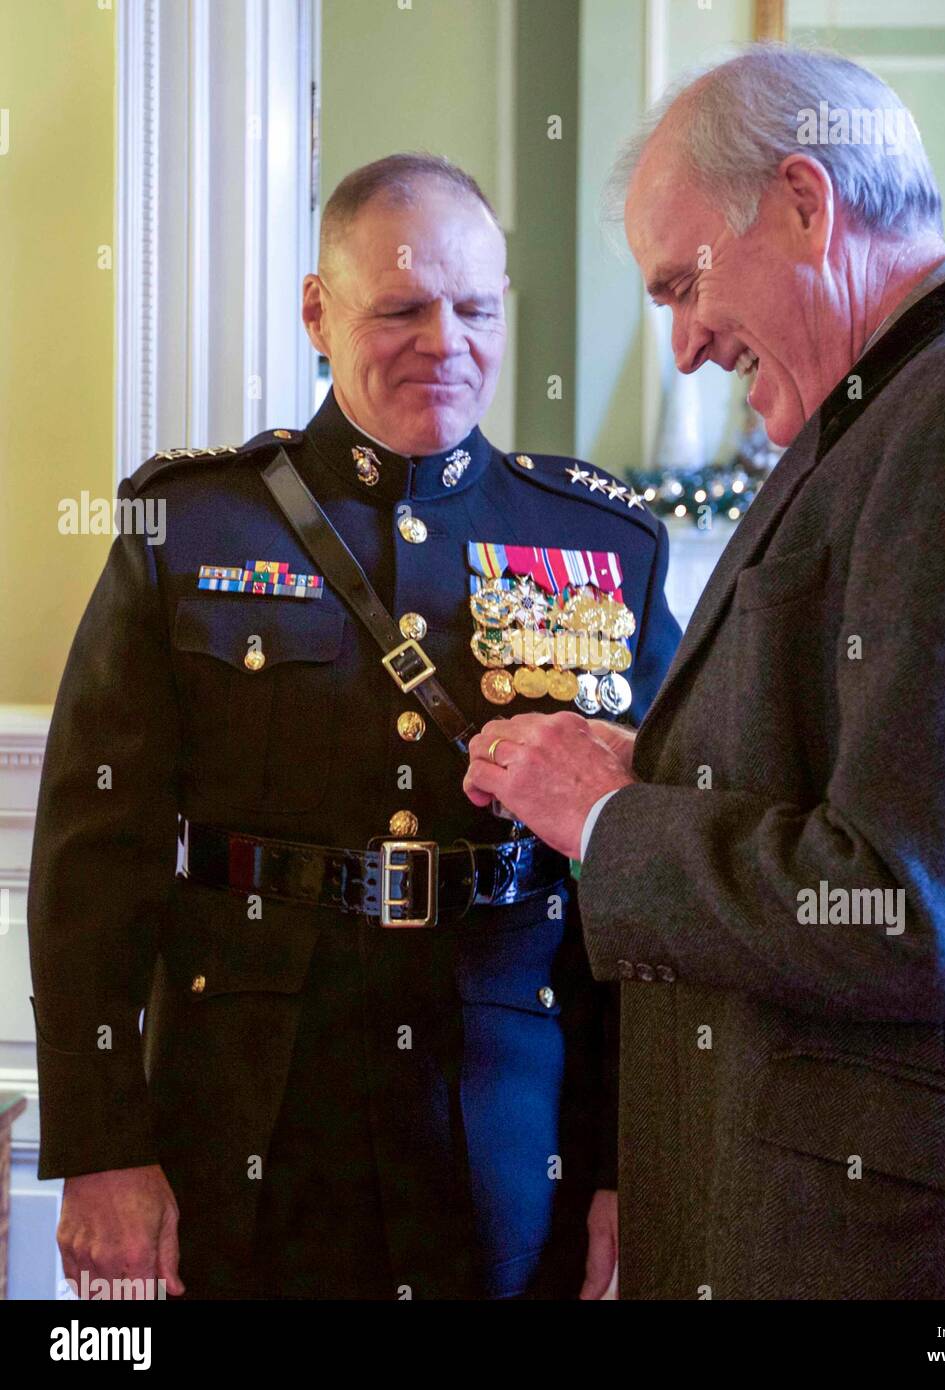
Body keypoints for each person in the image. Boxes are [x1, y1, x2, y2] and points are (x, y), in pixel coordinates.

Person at [464, 45, 945, 1299]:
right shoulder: (891, 409)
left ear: (806, 206)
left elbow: (917, 909)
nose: (685, 344)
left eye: (680, 286)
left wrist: (610, 821)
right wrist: (640, 773)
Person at [28, 153, 680, 1300]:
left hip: (506, 1106)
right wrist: (100, 1147)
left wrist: (633, 1159)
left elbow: (641, 886)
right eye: (401, 308)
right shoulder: (188, 524)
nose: (446, 340)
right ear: (316, 313)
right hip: (247, 1098)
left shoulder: (598, 543)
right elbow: (94, 863)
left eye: (476, 308)